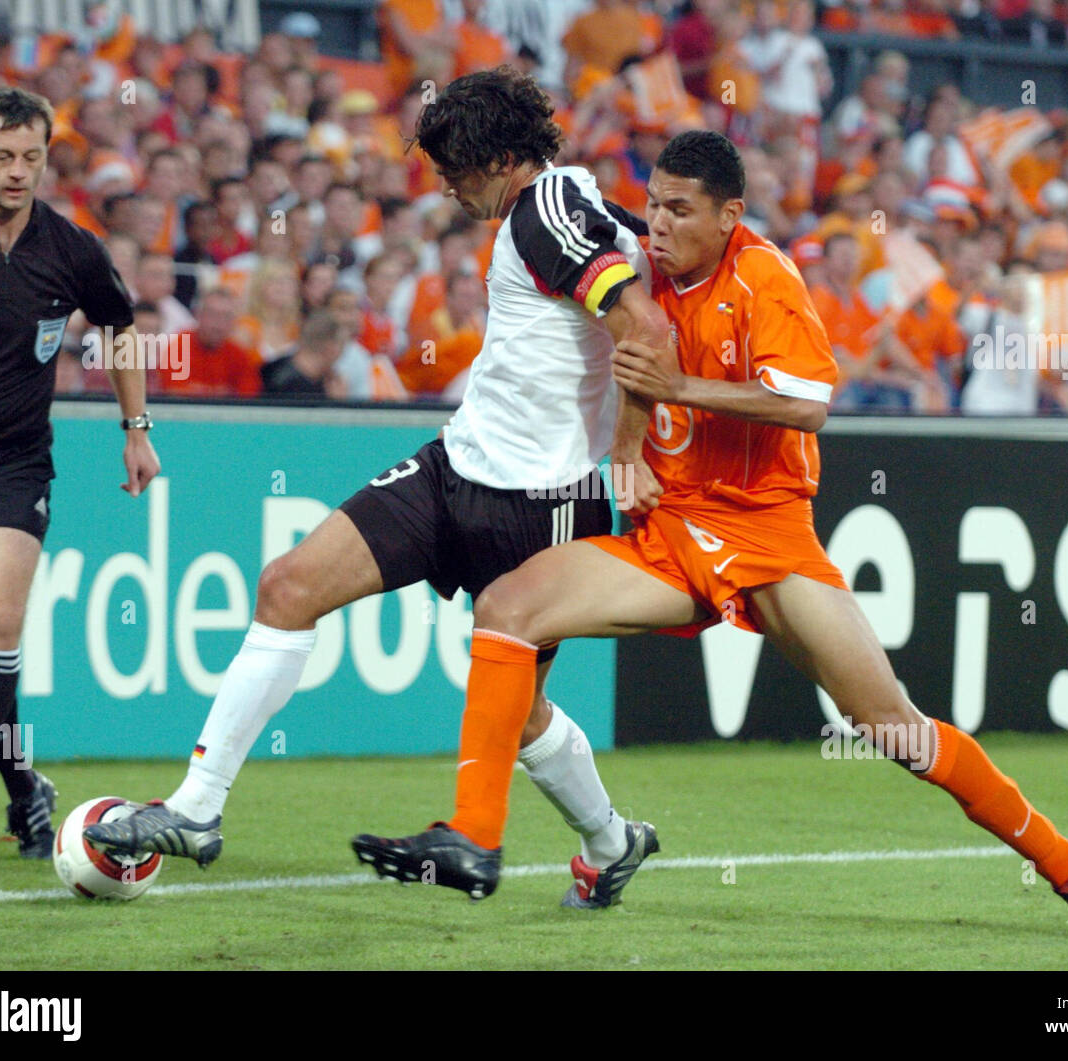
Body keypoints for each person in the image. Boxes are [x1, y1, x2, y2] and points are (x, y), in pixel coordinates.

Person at [352, 131, 1068, 940]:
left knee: (894, 727)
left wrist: (681, 390)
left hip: (769, 534)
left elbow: (806, 405)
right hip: (670, 532)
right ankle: (476, 838)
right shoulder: (635, 262)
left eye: (680, 209)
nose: (657, 223)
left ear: (730, 214)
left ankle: (1067, 865)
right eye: (654, 202)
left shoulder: (765, 276)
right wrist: (627, 444)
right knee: (506, 606)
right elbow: (611, 312)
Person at [86, 67, 668, 909]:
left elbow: (640, 326)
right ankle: (196, 808)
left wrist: (627, 453)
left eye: (453, 168)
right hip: (456, 467)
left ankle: (612, 839)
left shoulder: (545, 213)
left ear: (500, 157)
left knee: (524, 713)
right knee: (289, 585)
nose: (445, 184)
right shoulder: (575, 206)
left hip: (544, 503)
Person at [0, 85, 159, 865]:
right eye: (3, 156)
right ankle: (26, 790)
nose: (19, 171)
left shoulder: (70, 248)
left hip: (17, 460)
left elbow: (121, 327)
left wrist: (136, 429)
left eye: (31, 157)